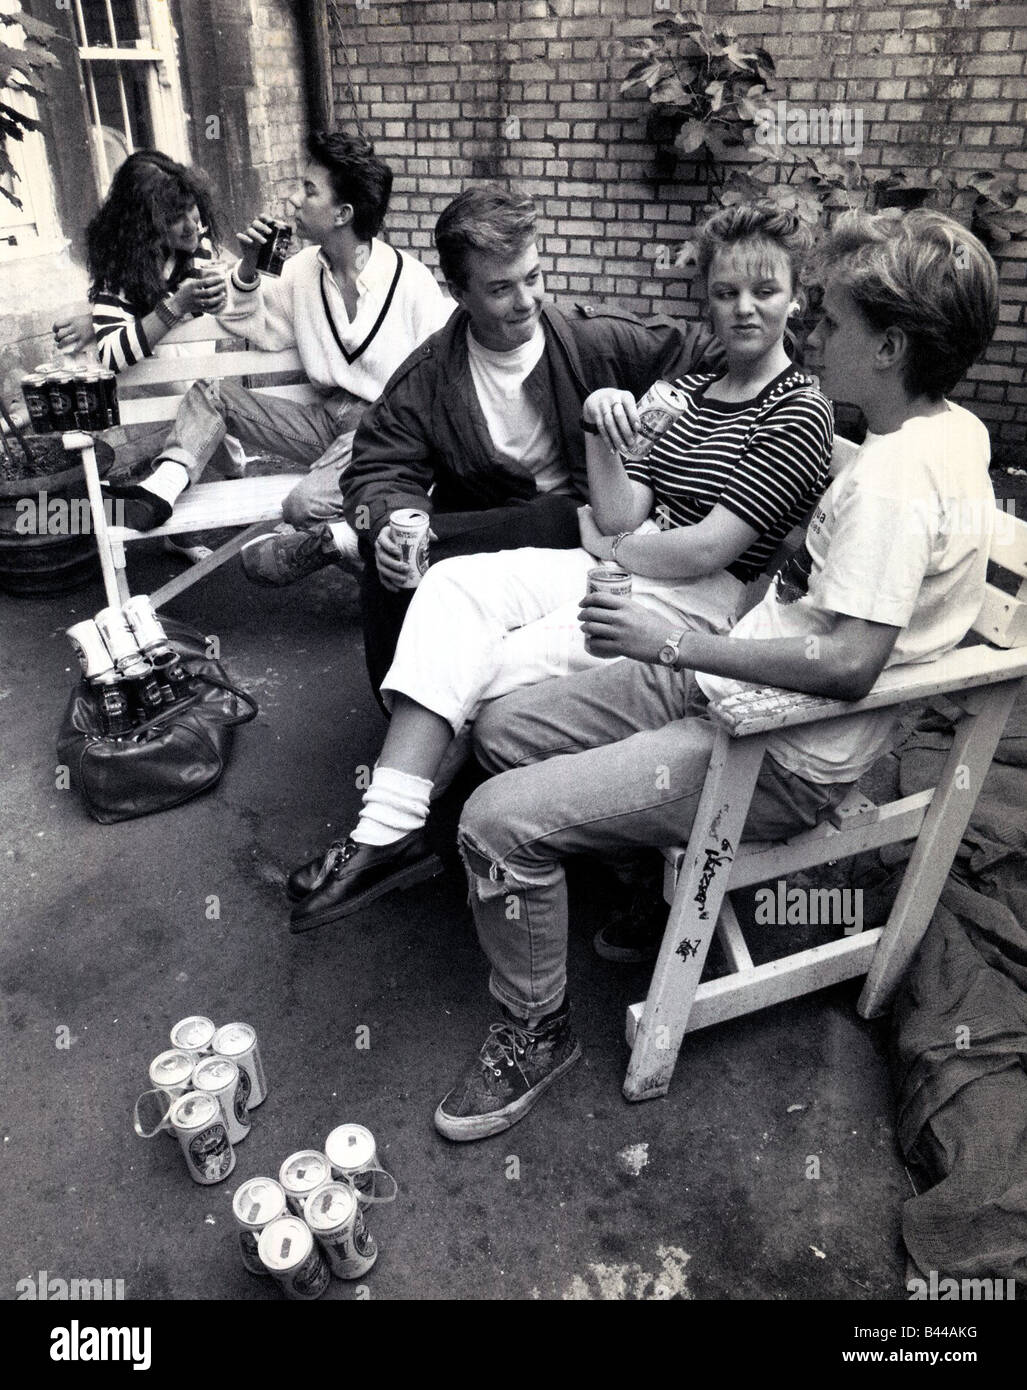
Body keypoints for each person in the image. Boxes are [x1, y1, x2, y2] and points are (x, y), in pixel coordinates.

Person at [427, 208, 1000, 1142]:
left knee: (493, 825)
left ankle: (535, 1026)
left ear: (890, 347)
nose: (810, 332)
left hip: (771, 752)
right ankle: (632, 890)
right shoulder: (944, 431)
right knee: (499, 730)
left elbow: (851, 665)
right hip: (730, 686)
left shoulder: (894, 481)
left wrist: (671, 641)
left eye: (833, 321)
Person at [288, 202, 834, 935]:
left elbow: (706, 549)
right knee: (448, 585)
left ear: (796, 297)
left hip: (689, 602)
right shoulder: (695, 393)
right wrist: (601, 426)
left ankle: (387, 834)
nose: (742, 309)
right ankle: (393, 833)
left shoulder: (795, 410)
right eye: (725, 292)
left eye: (763, 292)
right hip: (621, 564)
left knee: (486, 661)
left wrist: (616, 546)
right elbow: (616, 511)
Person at [341, 183, 723, 699]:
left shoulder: (594, 340)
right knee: (391, 570)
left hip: (588, 540)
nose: (526, 302)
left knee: (554, 516)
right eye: (501, 289)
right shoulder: (428, 377)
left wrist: (664, 423)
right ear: (459, 293)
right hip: (489, 535)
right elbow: (379, 469)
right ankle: (404, 719)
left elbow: (709, 353)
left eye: (534, 278)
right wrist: (388, 524)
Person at [97, 131, 452, 584]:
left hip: (384, 431)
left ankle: (339, 539)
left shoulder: (410, 280)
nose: (293, 199)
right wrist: (247, 266)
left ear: (343, 213)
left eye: (308, 190)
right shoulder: (302, 269)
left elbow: (444, 369)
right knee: (214, 394)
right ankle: (160, 491)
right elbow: (255, 321)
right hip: (325, 421)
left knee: (300, 504)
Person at [52, 150, 232, 563]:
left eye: (194, 210)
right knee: (191, 431)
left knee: (206, 431)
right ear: (146, 227)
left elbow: (214, 299)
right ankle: (167, 524)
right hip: (151, 383)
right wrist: (110, 316)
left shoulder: (197, 246)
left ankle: (190, 503)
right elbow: (114, 353)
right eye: (177, 218)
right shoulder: (119, 268)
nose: (194, 226)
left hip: (194, 374)